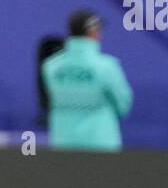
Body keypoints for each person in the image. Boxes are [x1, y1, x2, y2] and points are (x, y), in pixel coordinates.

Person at [41, 10, 133, 152]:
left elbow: (48, 98)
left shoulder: (51, 66)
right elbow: (123, 103)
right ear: (93, 32)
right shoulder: (106, 66)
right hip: (100, 142)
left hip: (63, 140)